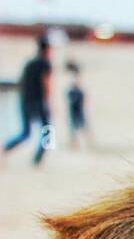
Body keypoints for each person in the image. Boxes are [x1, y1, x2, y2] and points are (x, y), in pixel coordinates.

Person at [3, 36, 53, 165]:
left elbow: (21, 84)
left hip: (24, 101)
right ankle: (37, 160)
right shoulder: (45, 64)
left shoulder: (29, 64)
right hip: (38, 101)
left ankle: (5, 148)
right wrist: (49, 103)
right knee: (48, 131)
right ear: (47, 49)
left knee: (26, 132)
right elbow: (46, 84)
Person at [65, 61, 90, 150]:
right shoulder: (74, 81)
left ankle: (82, 142)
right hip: (75, 104)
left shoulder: (74, 81)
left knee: (79, 125)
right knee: (77, 125)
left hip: (76, 103)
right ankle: (76, 143)